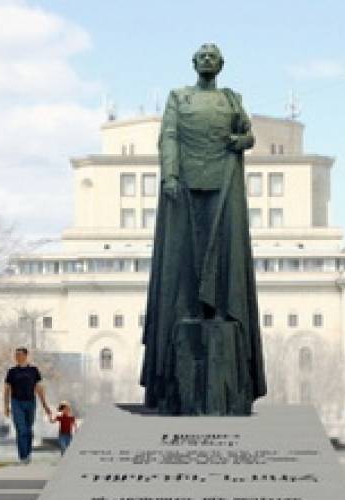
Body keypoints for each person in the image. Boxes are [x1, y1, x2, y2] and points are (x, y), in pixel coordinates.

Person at [140, 43, 266, 415]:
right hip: (185, 182)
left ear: (221, 64)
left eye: (214, 55)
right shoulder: (179, 98)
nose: (208, 59)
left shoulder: (231, 98)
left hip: (223, 180)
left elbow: (248, 134)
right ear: (194, 63)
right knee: (183, 255)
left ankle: (219, 310)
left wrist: (240, 141)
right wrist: (171, 174)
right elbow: (169, 136)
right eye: (202, 55)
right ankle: (186, 315)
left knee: (222, 249)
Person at [3, 347, 51, 464]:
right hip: (16, 402)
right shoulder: (12, 372)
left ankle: (28, 454)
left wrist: (45, 405)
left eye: (19, 355)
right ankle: (23, 457)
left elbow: (39, 388)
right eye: (16, 355)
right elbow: (7, 389)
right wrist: (6, 406)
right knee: (21, 429)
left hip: (30, 402)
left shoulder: (34, 370)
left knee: (28, 430)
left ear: (25, 355)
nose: (17, 357)